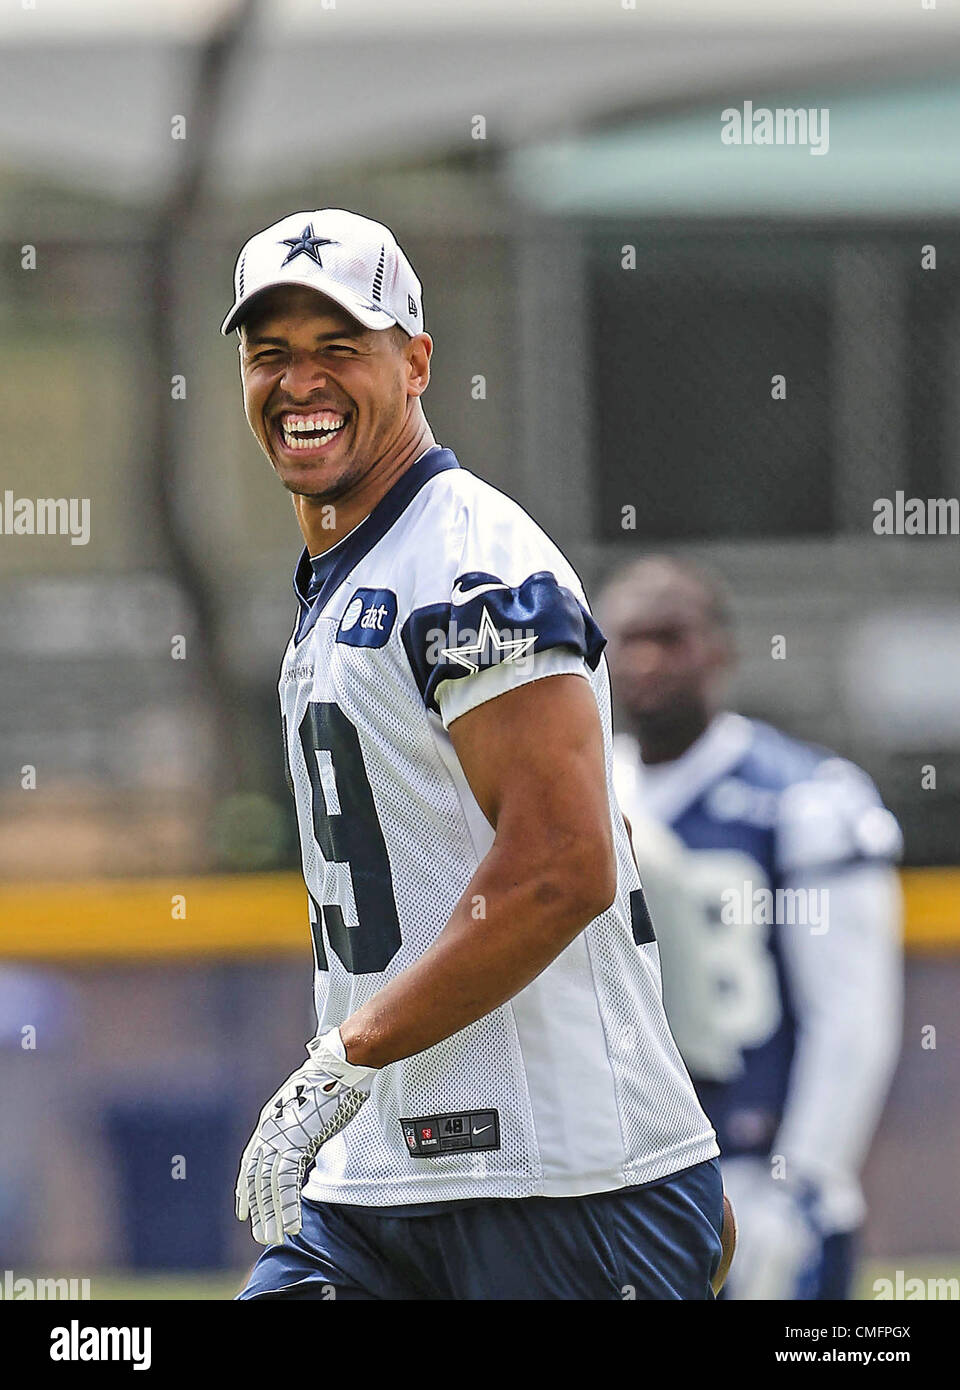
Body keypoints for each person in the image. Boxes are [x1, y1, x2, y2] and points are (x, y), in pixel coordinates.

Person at [220, 209, 729, 1301]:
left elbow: (564, 863)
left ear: (415, 362)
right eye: (271, 356)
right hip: (392, 1176)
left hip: (556, 1182)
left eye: (337, 349)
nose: (299, 383)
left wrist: (344, 1059)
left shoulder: (468, 564)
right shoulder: (359, 568)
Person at [600, 555, 903, 1300]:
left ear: (720, 650)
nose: (645, 661)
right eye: (627, 640)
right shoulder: (583, 791)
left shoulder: (802, 797)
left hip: (756, 1167)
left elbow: (852, 1019)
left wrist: (800, 1183)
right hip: (618, 1175)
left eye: (670, 638)